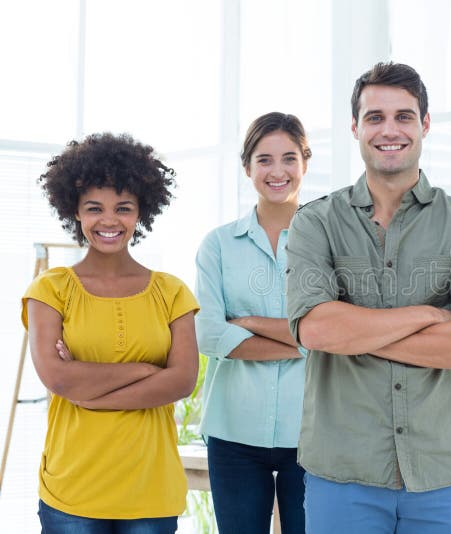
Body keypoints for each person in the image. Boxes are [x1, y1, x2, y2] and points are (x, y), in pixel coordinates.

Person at [285, 62, 451, 534]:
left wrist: (355, 330)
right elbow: (316, 329)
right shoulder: (315, 223)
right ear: (355, 127)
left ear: (425, 124)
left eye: (404, 116)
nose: (390, 130)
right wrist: (428, 315)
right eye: (375, 117)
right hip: (342, 470)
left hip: (442, 471)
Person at [22, 133, 199, 533]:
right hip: (73, 488)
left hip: (150, 488)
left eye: (123, 208)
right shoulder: (50, 290)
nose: (109, 220)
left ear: (141, 213)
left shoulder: (171, 291)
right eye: (94, 208)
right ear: (75, 212)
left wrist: (92, 394)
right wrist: (146, 370)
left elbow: (183, 380)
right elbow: (58, 378)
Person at [194, 112, 309, 534]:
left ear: (304, 163)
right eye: (264, 160)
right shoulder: (219, 244)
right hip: (233, 429)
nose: (277, 171)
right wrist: (306, 342)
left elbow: (344, 333)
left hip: (312, 431)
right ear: (247, 167)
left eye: (288, 158)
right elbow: (209, 333)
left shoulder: (332, 244)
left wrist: (247, 323)